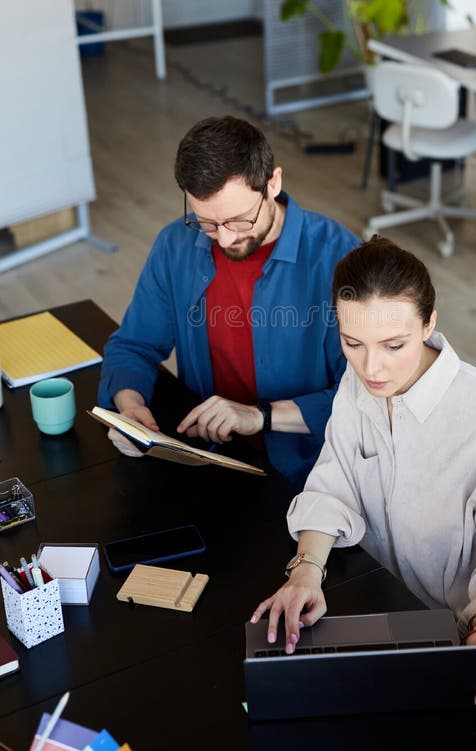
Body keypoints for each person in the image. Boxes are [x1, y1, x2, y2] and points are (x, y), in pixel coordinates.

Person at [251, 237, 476, 715]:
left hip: (474, 639)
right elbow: (335, 482)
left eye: (394, 345)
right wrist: (306, 570)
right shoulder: (359, 384)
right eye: (353, 343)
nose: (373, 368)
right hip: (386, 610)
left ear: (429, 324)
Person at [98, 115, 359, 490]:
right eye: (205, 223)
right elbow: (133, 345)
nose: (222, 240)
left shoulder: (339, 258)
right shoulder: (175, 245)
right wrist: (129, 407)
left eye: (238, 221)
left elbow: (365, 395)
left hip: (311, 475)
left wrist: (261, 417)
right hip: (208, 459)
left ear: (273, 183)